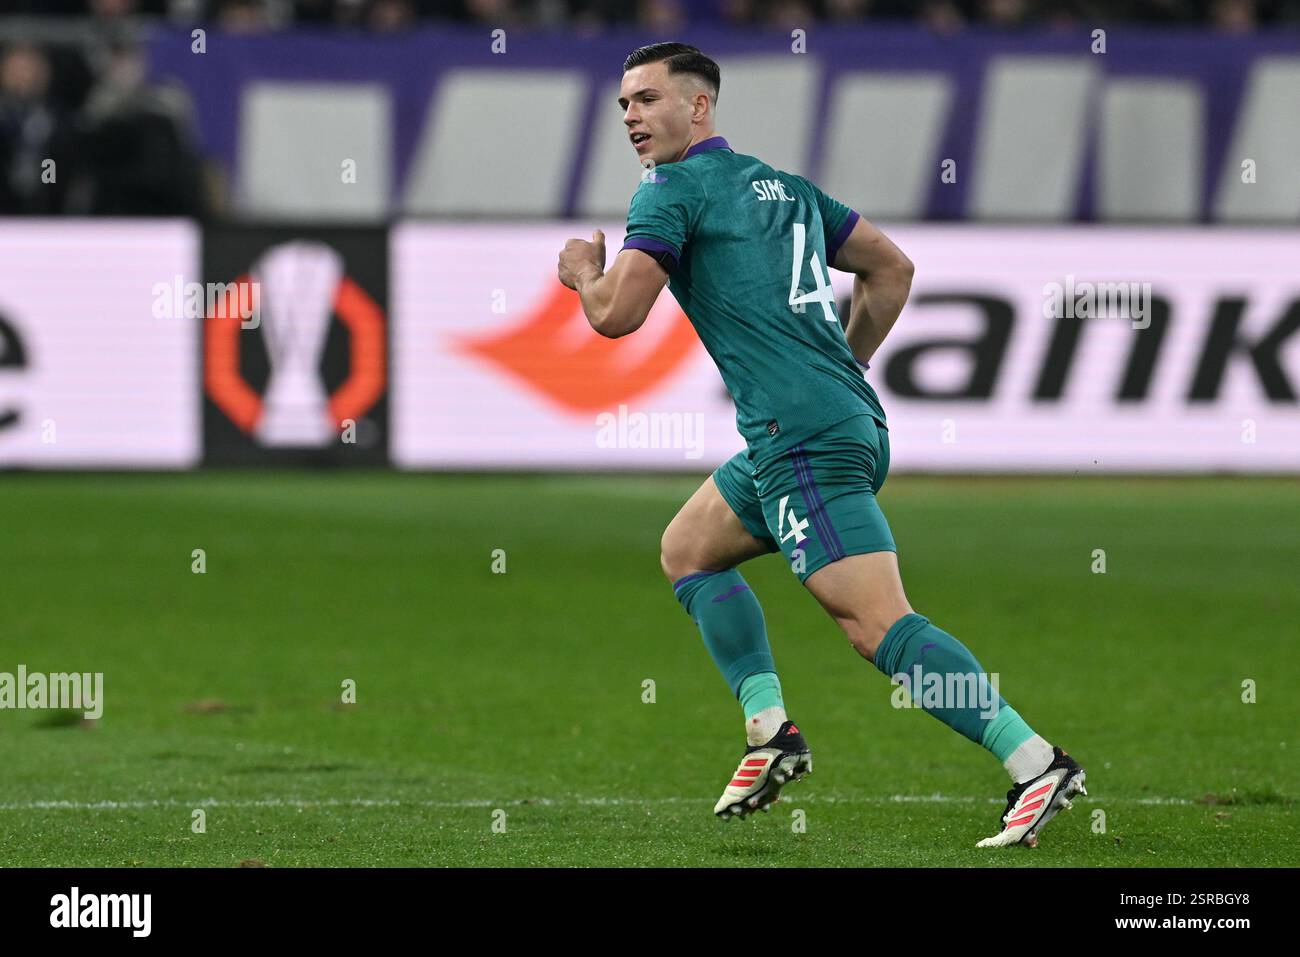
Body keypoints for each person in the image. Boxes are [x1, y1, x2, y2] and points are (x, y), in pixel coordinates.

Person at [556, 41, 1086, 847]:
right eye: (623, 102)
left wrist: (583, 272)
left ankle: (1034, 760)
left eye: (647, 98)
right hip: (827, 425)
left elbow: (615, 316)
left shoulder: (667, 191)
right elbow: (893, 270)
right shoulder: (788, 189)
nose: (630, 114)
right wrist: (848, 363)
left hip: (804, 440)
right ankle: (770, 730)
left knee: (875, 624)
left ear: (698, 107)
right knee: (689, 549)